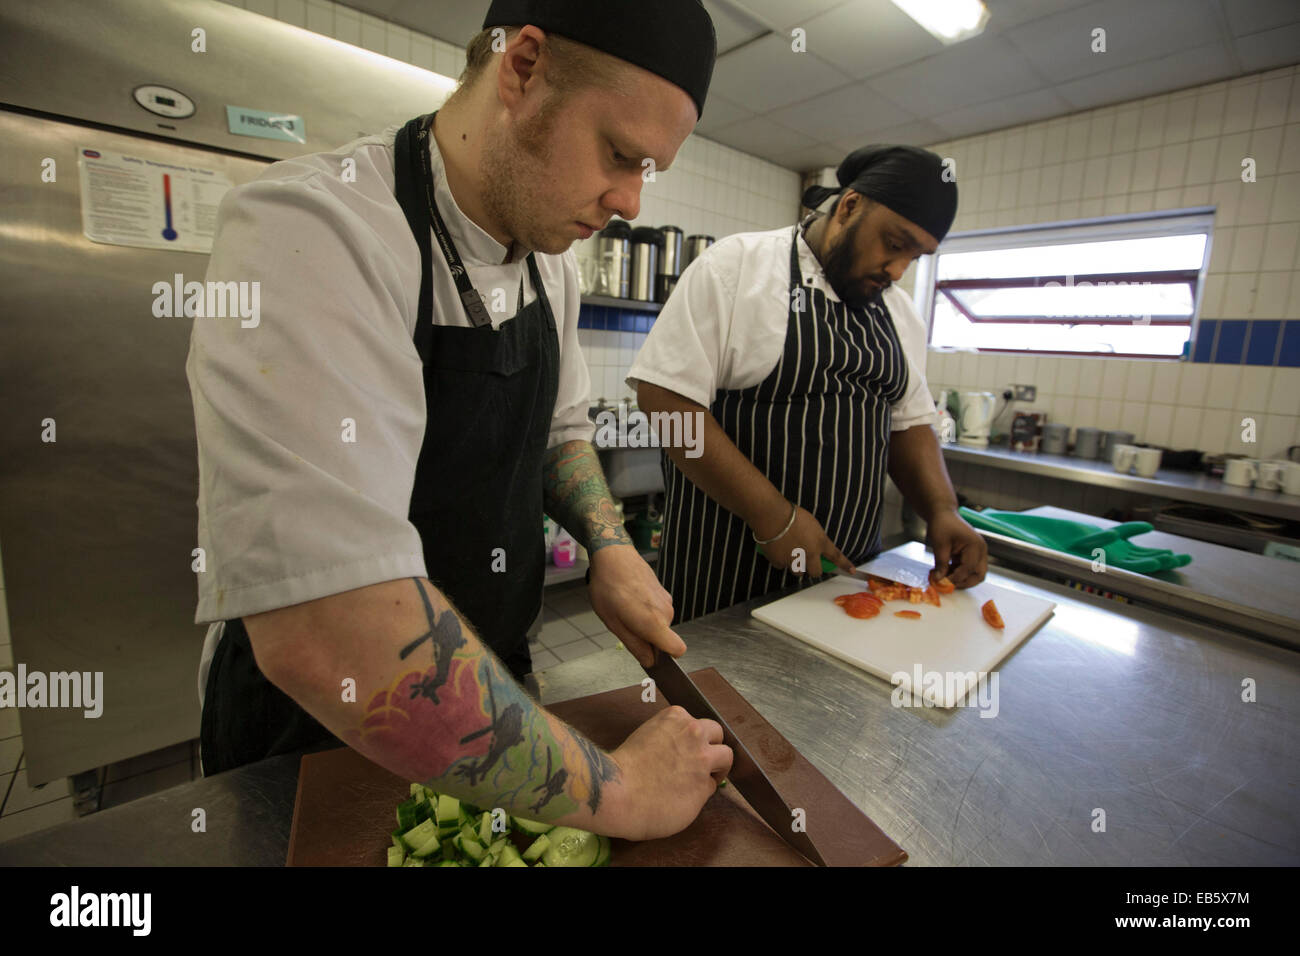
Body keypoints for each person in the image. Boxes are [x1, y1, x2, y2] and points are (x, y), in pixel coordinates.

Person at [186, 0, 730, 841]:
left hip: (493, 707)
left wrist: (609, 544)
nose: (628, 199)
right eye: (620, 154)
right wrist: (623, 792)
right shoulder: (317, 229)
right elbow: (324, 628)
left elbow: (560, 430)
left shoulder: (553, 267)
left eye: (648, 171)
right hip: (312, 736)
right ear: (523, 67)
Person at [629, 144, 988, 622]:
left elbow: (910, 423)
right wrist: (773, 516)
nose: (898, 271)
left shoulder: (900, 314)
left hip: (847, 585)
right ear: (850, 206)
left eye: (917, 257)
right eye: (894, 243)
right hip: (723, 585)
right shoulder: (738, 268)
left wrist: (943, 510)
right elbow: (665, 402)